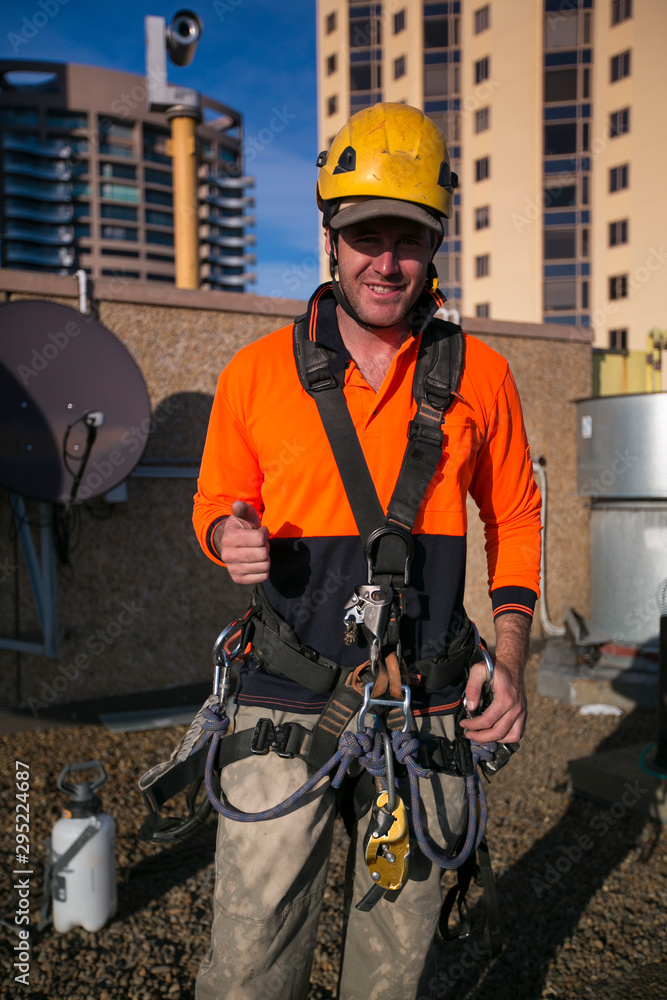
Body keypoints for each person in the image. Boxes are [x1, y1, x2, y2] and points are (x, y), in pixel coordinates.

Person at [192, 103, 541, 1000]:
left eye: (409, 238)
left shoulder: (482, 378)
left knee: (394, 974)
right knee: (246, 970)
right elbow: (213, 502)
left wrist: (507, 658)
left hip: (425, 705)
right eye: (363, 235)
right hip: (286, 697)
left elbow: (515, 519)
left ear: (436, 244)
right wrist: (226, 536)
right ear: (329, 237)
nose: (385, 262)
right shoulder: (255, 376)